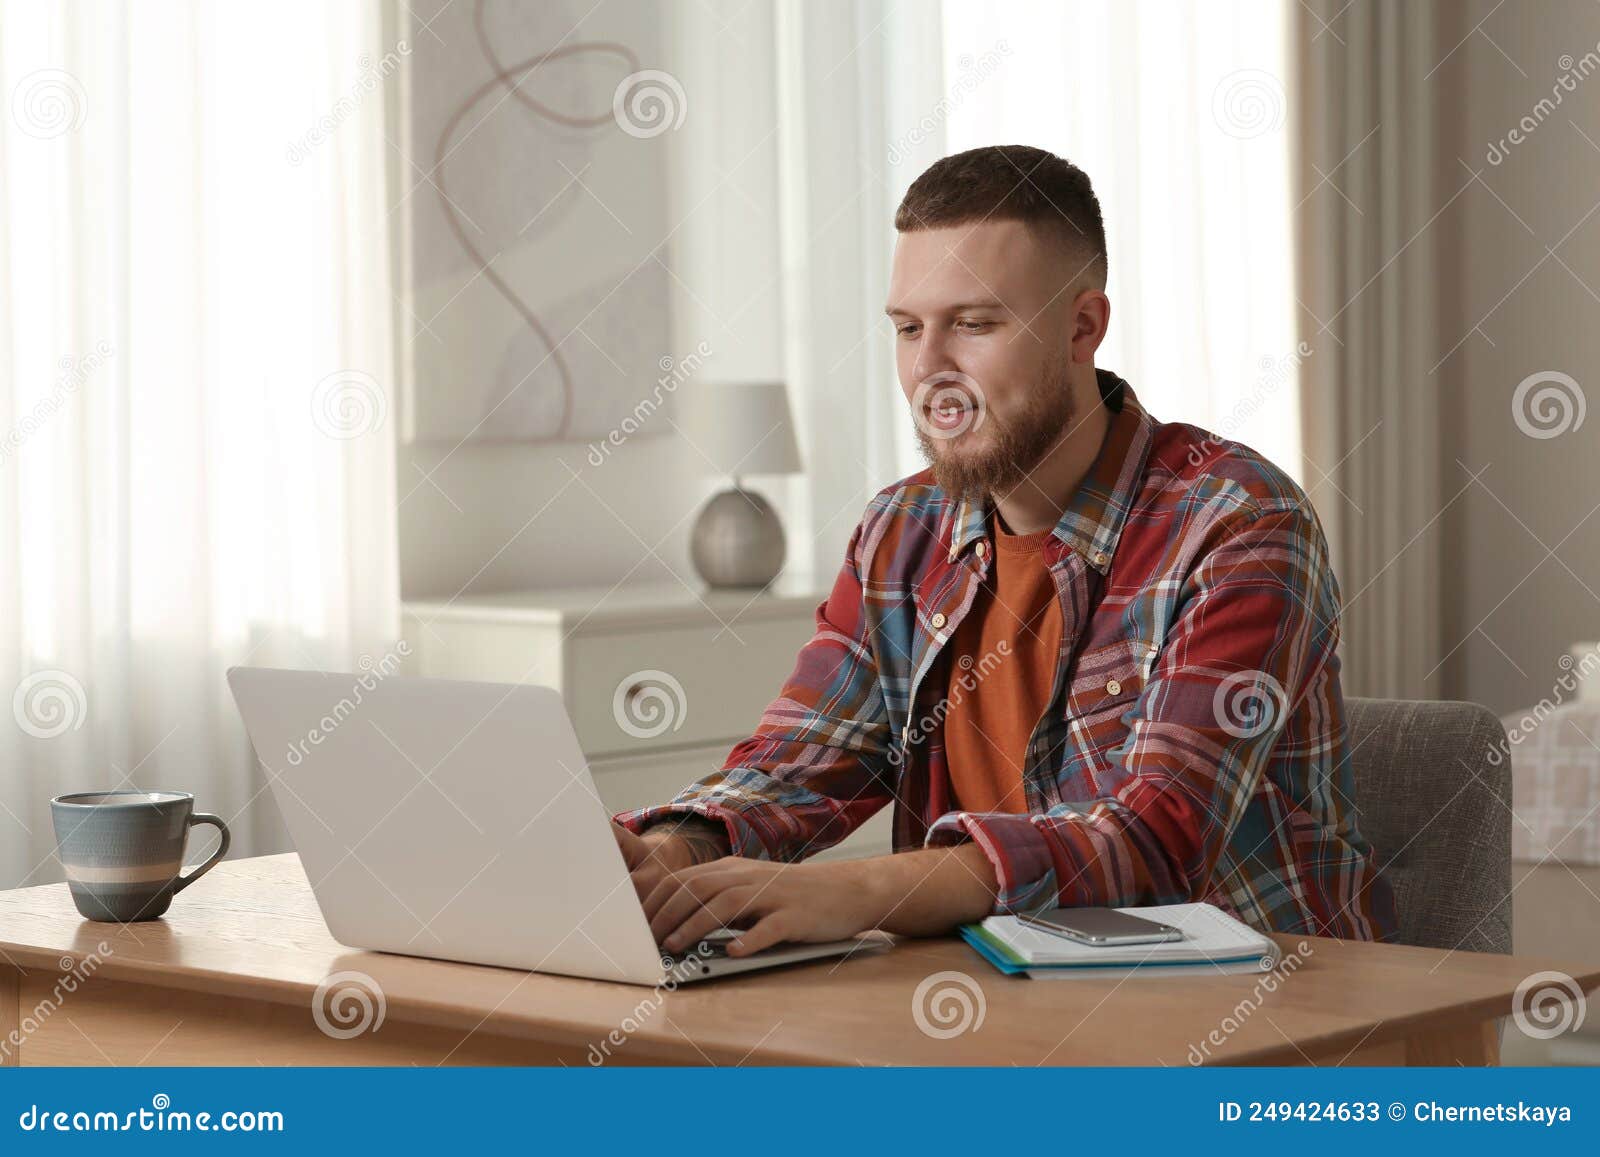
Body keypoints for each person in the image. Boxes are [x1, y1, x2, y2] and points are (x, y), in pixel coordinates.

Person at [611, 143, 1399, 959]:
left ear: (1081, 327)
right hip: (985, 995)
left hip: (1256, 998)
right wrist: (675, 851)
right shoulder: (901, 530)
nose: (929, 368)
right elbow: (805, 759)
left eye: (974, 324)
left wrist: (862, 890)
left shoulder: (1238, 523)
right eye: (908, 328)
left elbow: (1158, 839)